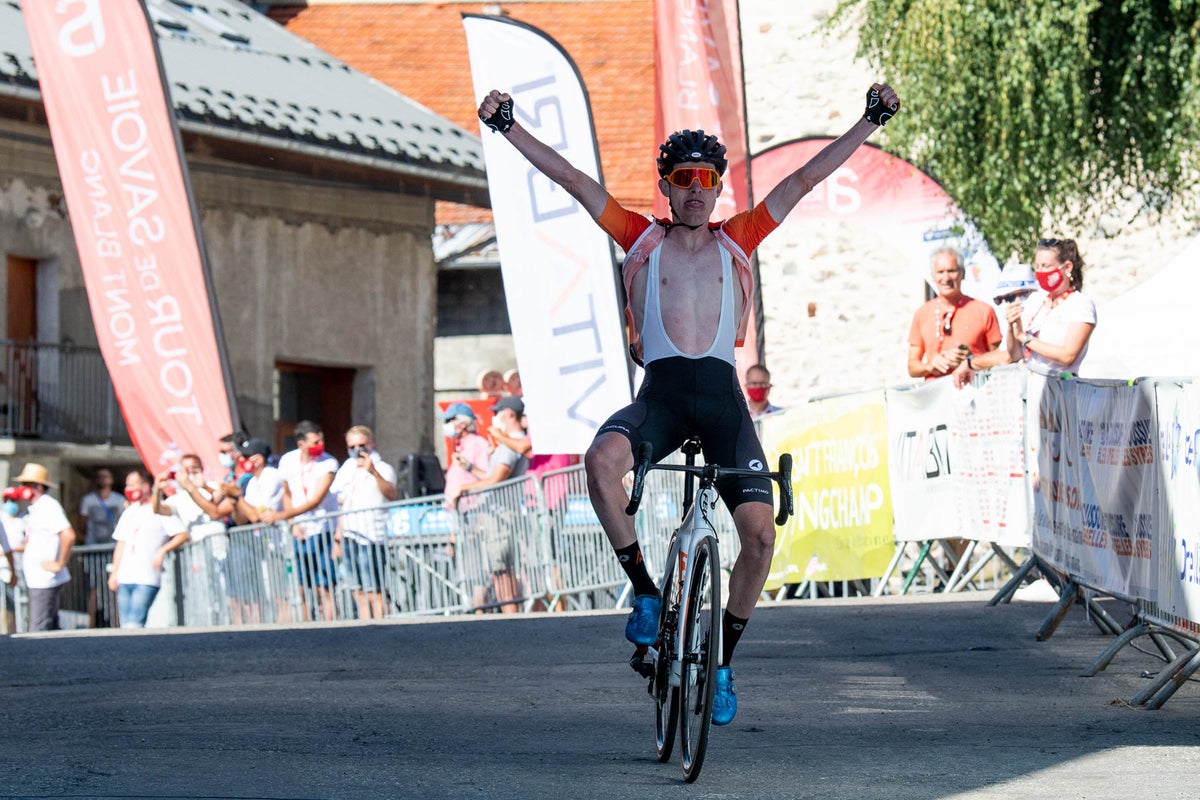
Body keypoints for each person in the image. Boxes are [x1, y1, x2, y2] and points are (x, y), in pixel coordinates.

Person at [478, 80, 900, 724]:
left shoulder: (740, 236)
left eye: (707, 178)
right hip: (664, 402)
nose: (697, 189)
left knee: (759, 537)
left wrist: (868, 120)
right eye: (683, 179)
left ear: (719, 186)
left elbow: (807, 178)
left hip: (725, 406)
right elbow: (570, 178)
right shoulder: (641, 237)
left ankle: (724, 664)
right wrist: (508, 126)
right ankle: (646, 593)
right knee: (598, 465)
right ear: (668, 188)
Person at [952, 238, 1097, 386]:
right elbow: (1014, 355)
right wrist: (1012, 326)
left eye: (1046, 266)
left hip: (1060, 392)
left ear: (1067, 268)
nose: (1040, 272)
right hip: (1029, 390)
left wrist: (1025, 337)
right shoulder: (1036, 301)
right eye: (1037, 267)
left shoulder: (1080, 304)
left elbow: (1068, 356)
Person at [268, 421, 340, 621]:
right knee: (301, 586)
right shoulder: (288, 461)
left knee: (323, 586)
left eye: (322, 440)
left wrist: (282, 516)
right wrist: (292, 523)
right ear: (301, 444)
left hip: (322, 529)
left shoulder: (329, 463)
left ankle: (331, 627)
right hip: (300, 531)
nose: (321, 444)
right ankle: (306, 629)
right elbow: (287, 493)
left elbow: (315, 501)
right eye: (315, 441)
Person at [106, 469, 190, 628]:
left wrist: (163, 550)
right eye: (127, 485)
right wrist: (114, 572)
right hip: (125, 576)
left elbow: (182, 534)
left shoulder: (161, 509)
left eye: (133, 485)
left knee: (135, 622)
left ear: (145, 486)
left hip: (147, 576)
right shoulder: (130, 511)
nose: (129, 489)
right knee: (126, 624)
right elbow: (121, 543)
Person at [331, 425, 398, 620]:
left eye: (361, 445)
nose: (357, 450)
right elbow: (342, 502)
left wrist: (373, 472)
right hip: (350, 534)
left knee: (374, 590)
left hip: (371, 536)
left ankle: (382, 629)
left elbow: (392, 494)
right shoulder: (347, 468)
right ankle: (364, 627)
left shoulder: (384, 468)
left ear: (371, 444)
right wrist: (338, 536)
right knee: (357, 590)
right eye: (352, 446)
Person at [907, 248, 1002, 381]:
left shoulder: (983, 311)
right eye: (940, 272)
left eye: (951, 271)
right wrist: (930, 366)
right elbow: (912, 367)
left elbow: (1000, 358)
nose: (946, 278)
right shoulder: (922, 313)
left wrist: (971, 360)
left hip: (974, 391)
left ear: (962, 274)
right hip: (936, 395)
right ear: (933, 276)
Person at [222, 437, 284, 624]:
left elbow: (258, 515)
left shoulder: (271, 475)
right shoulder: (252, 482)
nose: (241, 460)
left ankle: (289, 637)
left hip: (278, 544)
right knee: (264, 595)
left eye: (246, 456)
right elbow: (242, 520)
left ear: (258, 459)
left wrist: (238, 498)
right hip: (261, 546)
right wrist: (235, 501)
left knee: (280, 597)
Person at [10, 463, 75, 631]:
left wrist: (60, 563)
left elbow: (68, 535)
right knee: (50, 627)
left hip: (45, 578)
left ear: (37, 486)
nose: (21, 488)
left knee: (38, 630)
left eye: (25, 484)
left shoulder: (48, 506)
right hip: (38, 577)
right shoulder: (36, 509)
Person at [153, 454, 232, 543]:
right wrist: (157, 490)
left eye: (194, 468)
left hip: (219, 545)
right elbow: (158, 510)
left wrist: (203, 487)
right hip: (197, 549)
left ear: (201, 469)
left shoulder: (213, 486)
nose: (190, 472)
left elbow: (217, 503)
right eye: (186, 469)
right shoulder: (178, 498)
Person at [442, 403, 491, 509]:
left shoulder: (478, 444)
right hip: (456, 510)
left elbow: (488, 478)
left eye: (449, 420)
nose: (446, 424)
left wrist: (469, 467)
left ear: (463, 424)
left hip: (473, 510)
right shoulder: (461, 446)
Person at [79, 468, 124, 545]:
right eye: (99, 477)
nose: (102, 479)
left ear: (111, 480)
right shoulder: (87, 500)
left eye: (105, 477)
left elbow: (123, 521)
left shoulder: (120, 500)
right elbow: (82, 523)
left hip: (112, 544)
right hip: (92, 545)